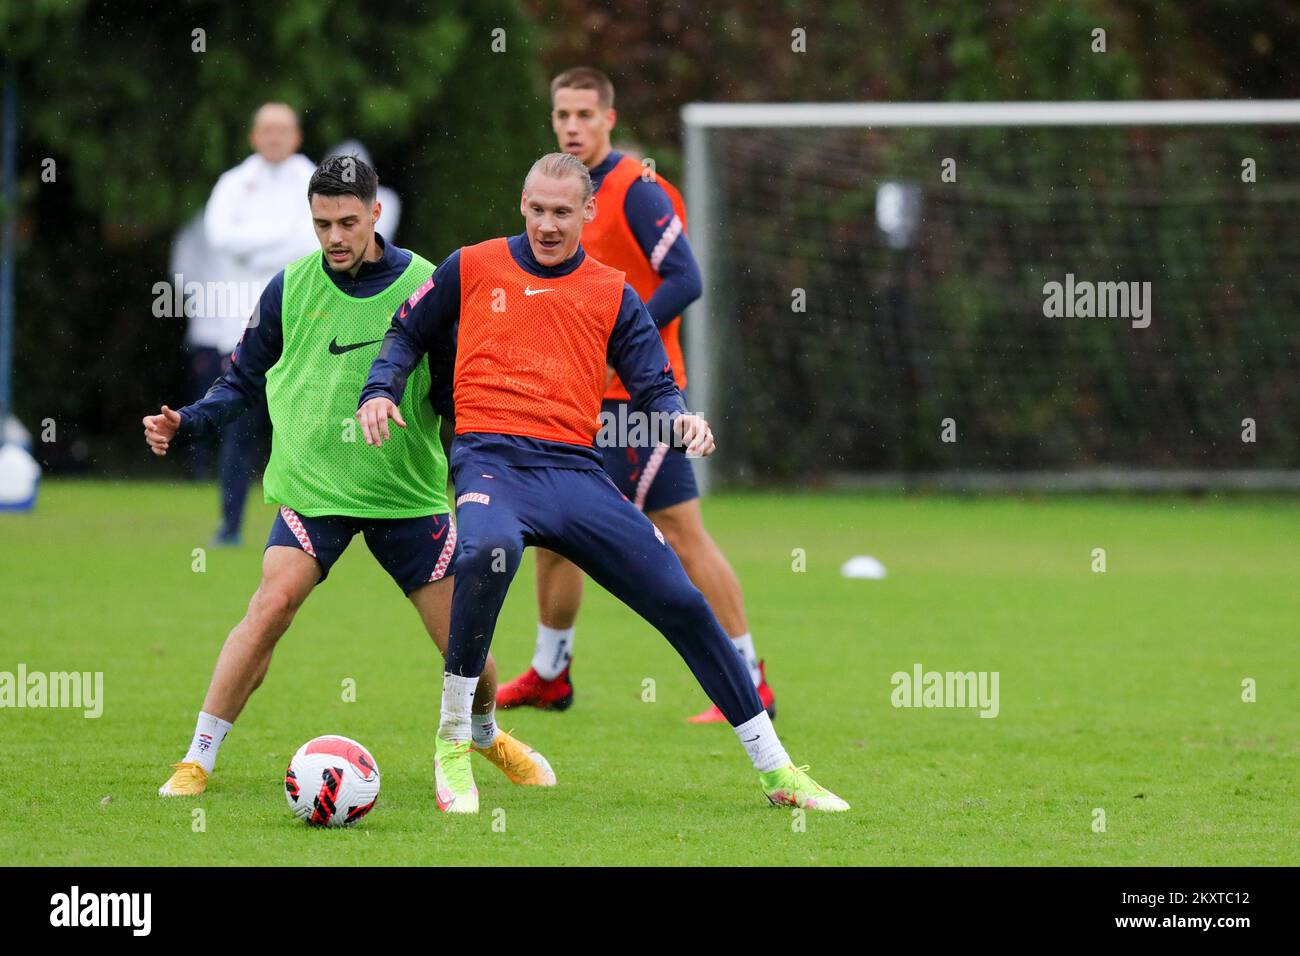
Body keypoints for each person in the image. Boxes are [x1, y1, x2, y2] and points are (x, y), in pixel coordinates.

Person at [357, 153, 846, 813]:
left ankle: (777, 771)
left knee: (682, 601)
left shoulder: (614, 292)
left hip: (573, 472)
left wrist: (680, 424)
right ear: (521, 205)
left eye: (563, 212)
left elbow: (654, 387)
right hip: (491, 462)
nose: (548, 225)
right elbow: (405, 331)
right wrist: (379, 391)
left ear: (588, 213)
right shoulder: (471, 265)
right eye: (537, 209)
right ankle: (453, 742)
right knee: (483, 551)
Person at [143, 155, 554, 805]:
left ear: (375, 214)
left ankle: (483, 733)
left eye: (347, 222)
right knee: (269, 607)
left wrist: (492, 461)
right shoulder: (290, 287)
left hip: (405, 494)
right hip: (316, 487)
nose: (334, 237)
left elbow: (454, 392)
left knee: (462, 636)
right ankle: (198, 757)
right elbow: (241, 380)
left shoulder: (426, 284)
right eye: (321, 224)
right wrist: (186, 422)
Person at [495, 67, 777, 724]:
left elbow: (687, 278)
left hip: (640, 403)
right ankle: (549, 672)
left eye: (584, 115)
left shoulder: (636, 190)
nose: (571, 126)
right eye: (562, 114)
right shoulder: (564, 197)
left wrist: (624, 342)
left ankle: (748, 676)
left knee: (680, 532)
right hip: (580, 399)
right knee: (555, 530)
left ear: (609, 119)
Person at [200, 103, 319, 546]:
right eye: (266, 130)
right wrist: (281, 242)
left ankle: (313, 525)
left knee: (305, 430)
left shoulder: (315, 180)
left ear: (297, 137)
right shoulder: (233, 183)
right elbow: (218, 237)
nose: (273, 138)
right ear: (253, 136)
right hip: (241, 326)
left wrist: (252, 246)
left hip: (301, 324)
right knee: (238, 429)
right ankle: (230, 525)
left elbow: (313, 242)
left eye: (282, 130)